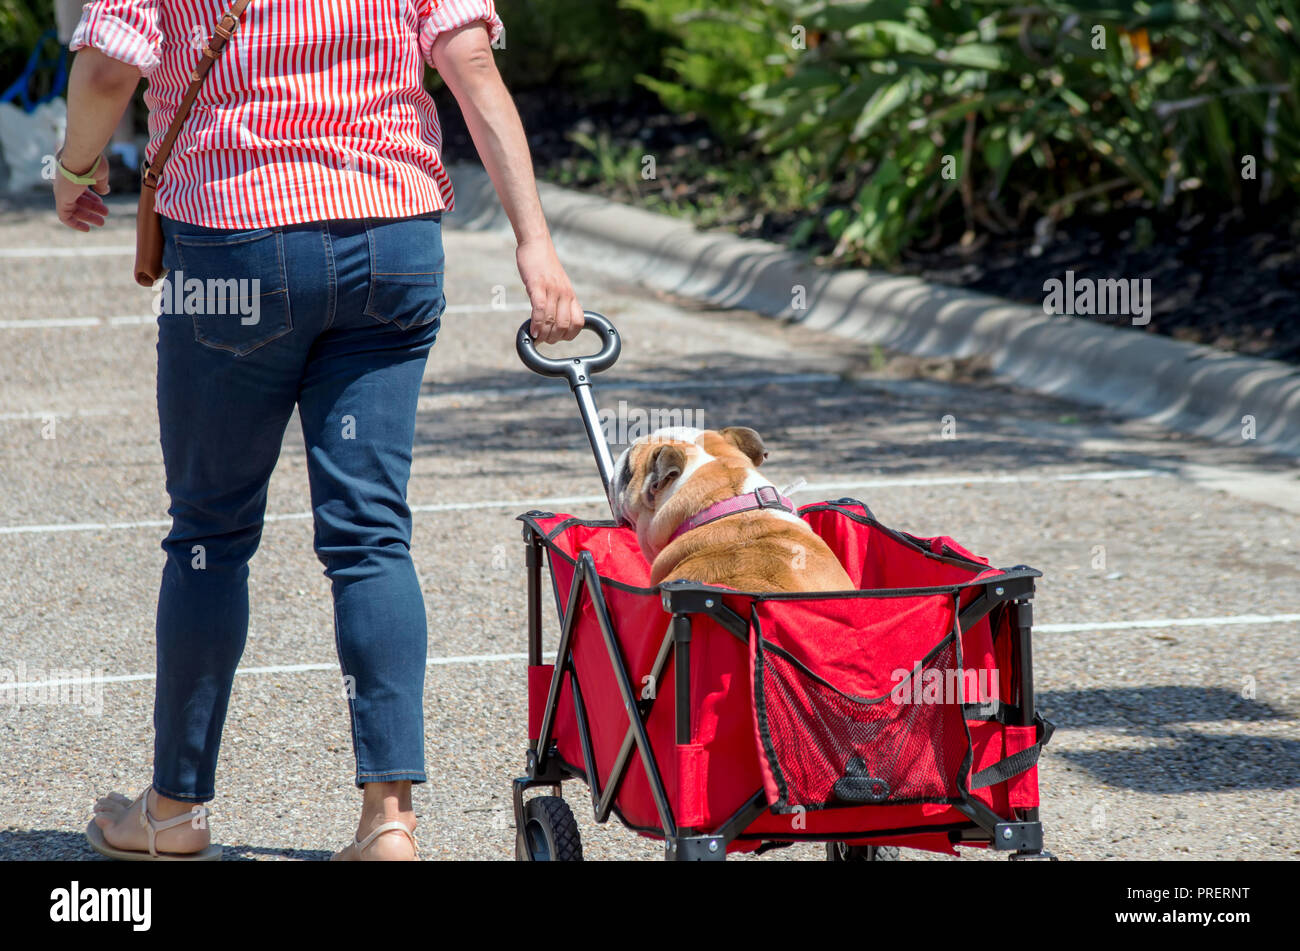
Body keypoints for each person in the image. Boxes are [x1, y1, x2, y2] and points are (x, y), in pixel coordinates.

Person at [53, 0, 584, 861]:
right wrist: (536, 243)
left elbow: (110, 68)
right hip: (392, 242)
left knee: (209, 534)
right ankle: (388, 822)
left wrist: (75, 165)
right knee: (372, 533)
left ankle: (174, 809)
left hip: (238, 243)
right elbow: (470, 64)